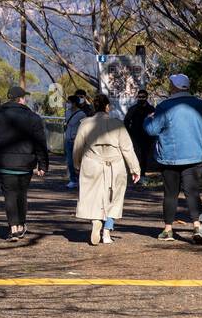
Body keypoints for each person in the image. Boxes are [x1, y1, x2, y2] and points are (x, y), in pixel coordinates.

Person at [144, 73, 202, 245]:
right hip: (194, 156)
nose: (169, 86)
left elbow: (152, 131)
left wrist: (147, 120)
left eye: (170, 84)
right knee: (192, 192)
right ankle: (198, 227)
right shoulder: (201, 105)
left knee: (170, 194)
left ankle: (168, 230)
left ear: (175, 87)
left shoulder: (164, 106)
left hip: (169, 157)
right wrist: (198, 139)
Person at [0, 85, 49, 240]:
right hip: (26, 163)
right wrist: (42, 164)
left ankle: (13, 227)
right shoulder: (34, 118)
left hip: (3, 163)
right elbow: (40, 143)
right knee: (21, 194)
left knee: (9, 194)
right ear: (22, 99)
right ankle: (22, 224)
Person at [75, 93, 141, 244]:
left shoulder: (85, 123)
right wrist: (135, 169)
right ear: (107, 107)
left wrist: (77, 164)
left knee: (93, 196)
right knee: (114, 198)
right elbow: (127, 149)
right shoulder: (117, 124)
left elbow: (77, 147)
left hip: (92, 163)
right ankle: (106, 232)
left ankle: (96, 220)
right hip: (115, 165)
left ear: (94, 107)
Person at [123, 88, 155, 182]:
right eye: (139, 97)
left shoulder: (151, 109)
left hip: (147, 136)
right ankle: (136, 174)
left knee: (145, 155)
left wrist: (153, 134)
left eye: (143, 97)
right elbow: (126, 121)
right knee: (136, 155)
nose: (141, 98)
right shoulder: (133, 109)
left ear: (146, 97)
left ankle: (143, 173)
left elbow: (155, 121)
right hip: (136, 136)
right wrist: (130, 133)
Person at [64, 95, 93, 189]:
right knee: (69, 161)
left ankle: (81, 179)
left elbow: (84, 127)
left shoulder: (81, 114)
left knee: (78, 161)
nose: (67, 104)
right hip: (68, 140)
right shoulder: (67, 112)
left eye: (69, 102)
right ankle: (73, 180)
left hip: (77, 141)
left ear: (74, 103)